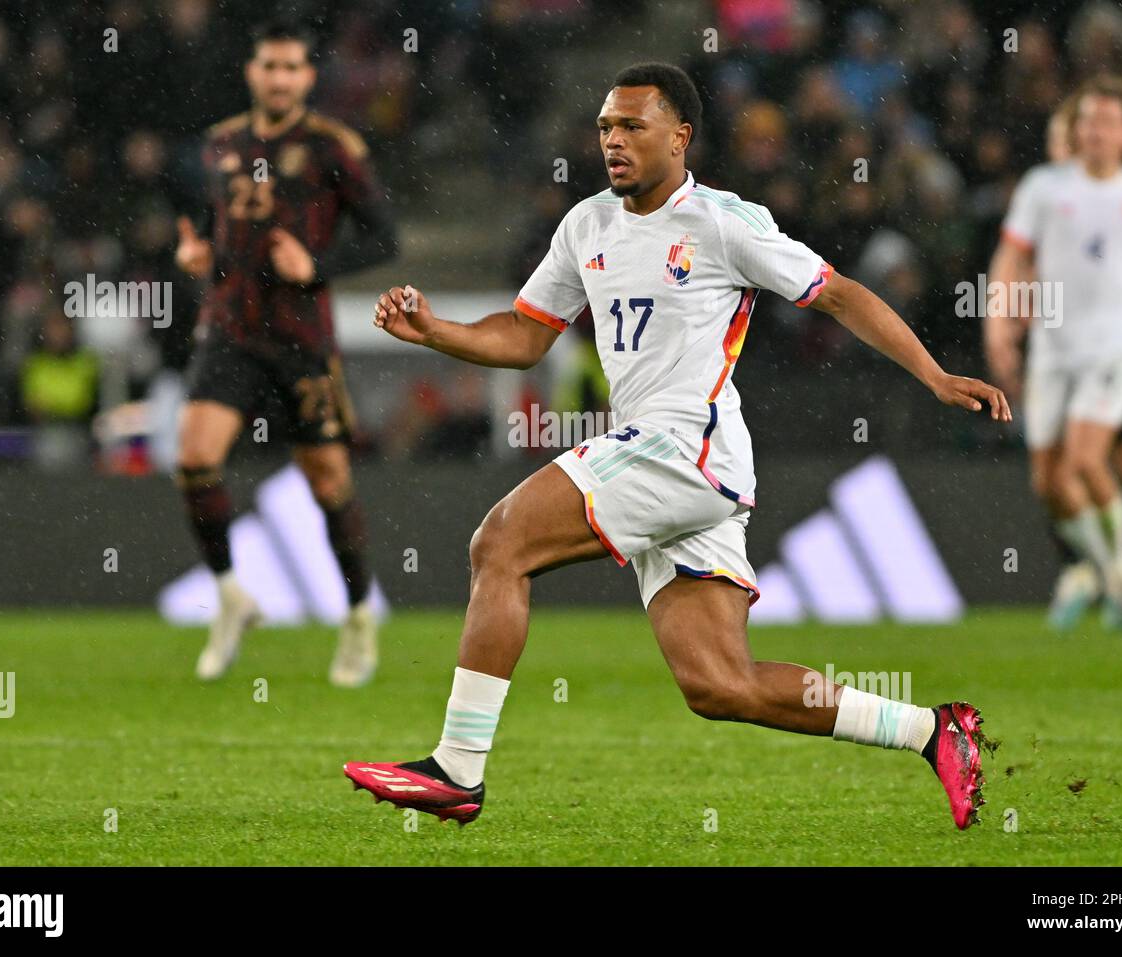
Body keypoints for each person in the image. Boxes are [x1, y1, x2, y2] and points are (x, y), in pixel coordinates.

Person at [345, 63, 1010, 829]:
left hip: (683, 444)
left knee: (500, 541)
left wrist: (932, 374)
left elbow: (837, 293)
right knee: (721, 685)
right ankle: (935, 732)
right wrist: (436, 331)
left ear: (681, 136)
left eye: (632, 126)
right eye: (604, 128)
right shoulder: (586, 224)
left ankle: (458, 769)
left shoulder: (725, 222)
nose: (613, 141)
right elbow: (527, 335)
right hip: (680, 464)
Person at [173, 21, 397, 684]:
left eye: (292, 67)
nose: (279, 77)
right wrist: (199, 259)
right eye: (269, 65)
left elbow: (385, 238)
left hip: (301, 338)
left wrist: (317, 262)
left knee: (329, 481)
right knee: (193, 458)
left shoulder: (334, 147)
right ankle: (232, 595)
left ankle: (358, 616)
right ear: (253, 70)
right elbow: (222, 236)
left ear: (307, 76)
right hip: (230, 330)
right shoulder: (219, 145)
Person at [985, 77, 1122, 630]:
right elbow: (1012, 259)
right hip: (1053, 352)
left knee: (1089, 460)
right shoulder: (1042, 188)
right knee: (1048, 482)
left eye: (1108, 122)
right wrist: (999, 328)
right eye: (1087, 120)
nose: (1096, 131)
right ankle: (1115, 573)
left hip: (1116, 351)